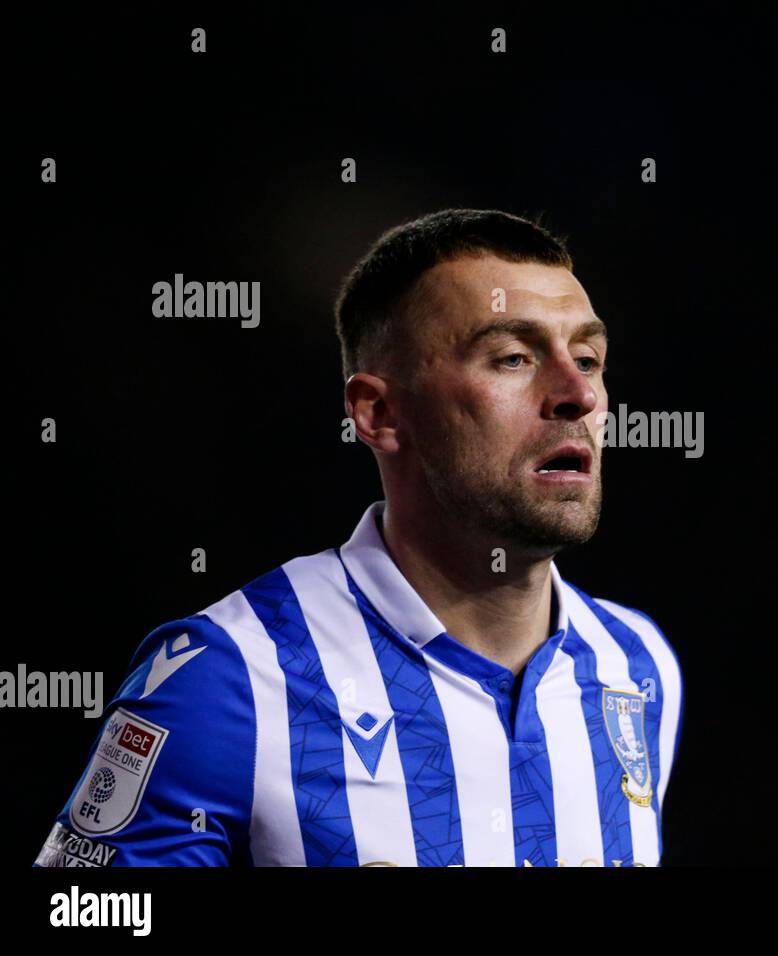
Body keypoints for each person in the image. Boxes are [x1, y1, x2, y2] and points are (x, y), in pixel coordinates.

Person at [34, 208, 683, 867]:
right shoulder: (228, 677)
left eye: (588, 358)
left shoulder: (638, 668)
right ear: (378, 413)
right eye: (512, 358)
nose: (577, 393)